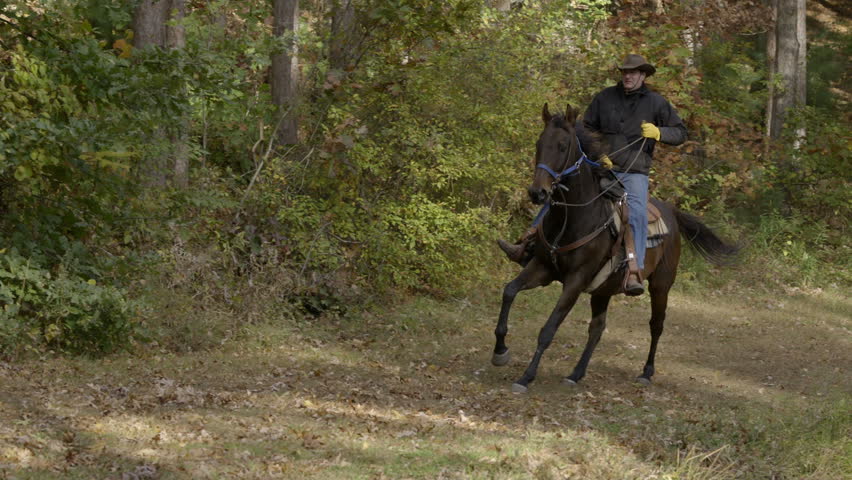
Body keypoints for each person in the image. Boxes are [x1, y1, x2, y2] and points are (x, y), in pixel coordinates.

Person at [497, 54, 688, 296]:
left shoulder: (656, 103)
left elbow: (681, 133)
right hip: (602, 166)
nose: (628, 76)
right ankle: (525, 245)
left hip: (634, 172)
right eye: (625, 72)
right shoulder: (605, 98)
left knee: (637, 213)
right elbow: (584, 130)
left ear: (643, 75)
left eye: (633, 72)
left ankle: (633, 271)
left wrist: (659, 132)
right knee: (558, 195)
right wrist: (598, 154)